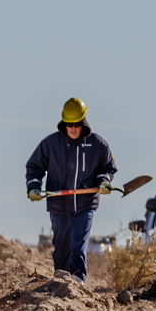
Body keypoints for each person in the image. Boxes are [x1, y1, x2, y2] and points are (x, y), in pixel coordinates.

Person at [24, 97, 117, 282]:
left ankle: (77, 282)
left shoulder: (98, 145)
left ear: (83, 122)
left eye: (76, 124)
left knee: (78, 244)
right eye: (68, 124)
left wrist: (103, 182)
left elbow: (107, 167)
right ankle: (61, 281)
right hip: (58, 205)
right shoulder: (51, 144)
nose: (73, 128)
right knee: (61, 247)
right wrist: (34, 188)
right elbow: (34, 167)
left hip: (85, 204)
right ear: (63, 124)